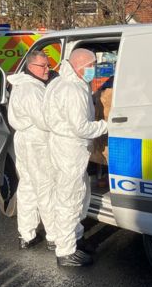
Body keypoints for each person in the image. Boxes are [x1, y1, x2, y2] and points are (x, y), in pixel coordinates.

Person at [43, 48, 108, 267]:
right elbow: (81, 127)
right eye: (91, 66)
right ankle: (66, 251)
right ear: (80, 66)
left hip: (64, 145)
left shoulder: (59, 83)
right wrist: (106, 125)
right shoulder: (72, 89)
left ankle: (75, 239)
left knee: (77, 194)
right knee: (69, 198)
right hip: (70, 147)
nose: (93, 70)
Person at [6, 49, 56, 251]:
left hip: (25, 140)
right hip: (36, 142)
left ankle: (26, 234)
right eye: (42, 66)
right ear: (30, 67)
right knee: (46, 188)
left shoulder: (23, 86)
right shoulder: (32, 90)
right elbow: (45, 121)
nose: (47, 70)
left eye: (48, 66)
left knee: (27, 187)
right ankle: (55, 236)